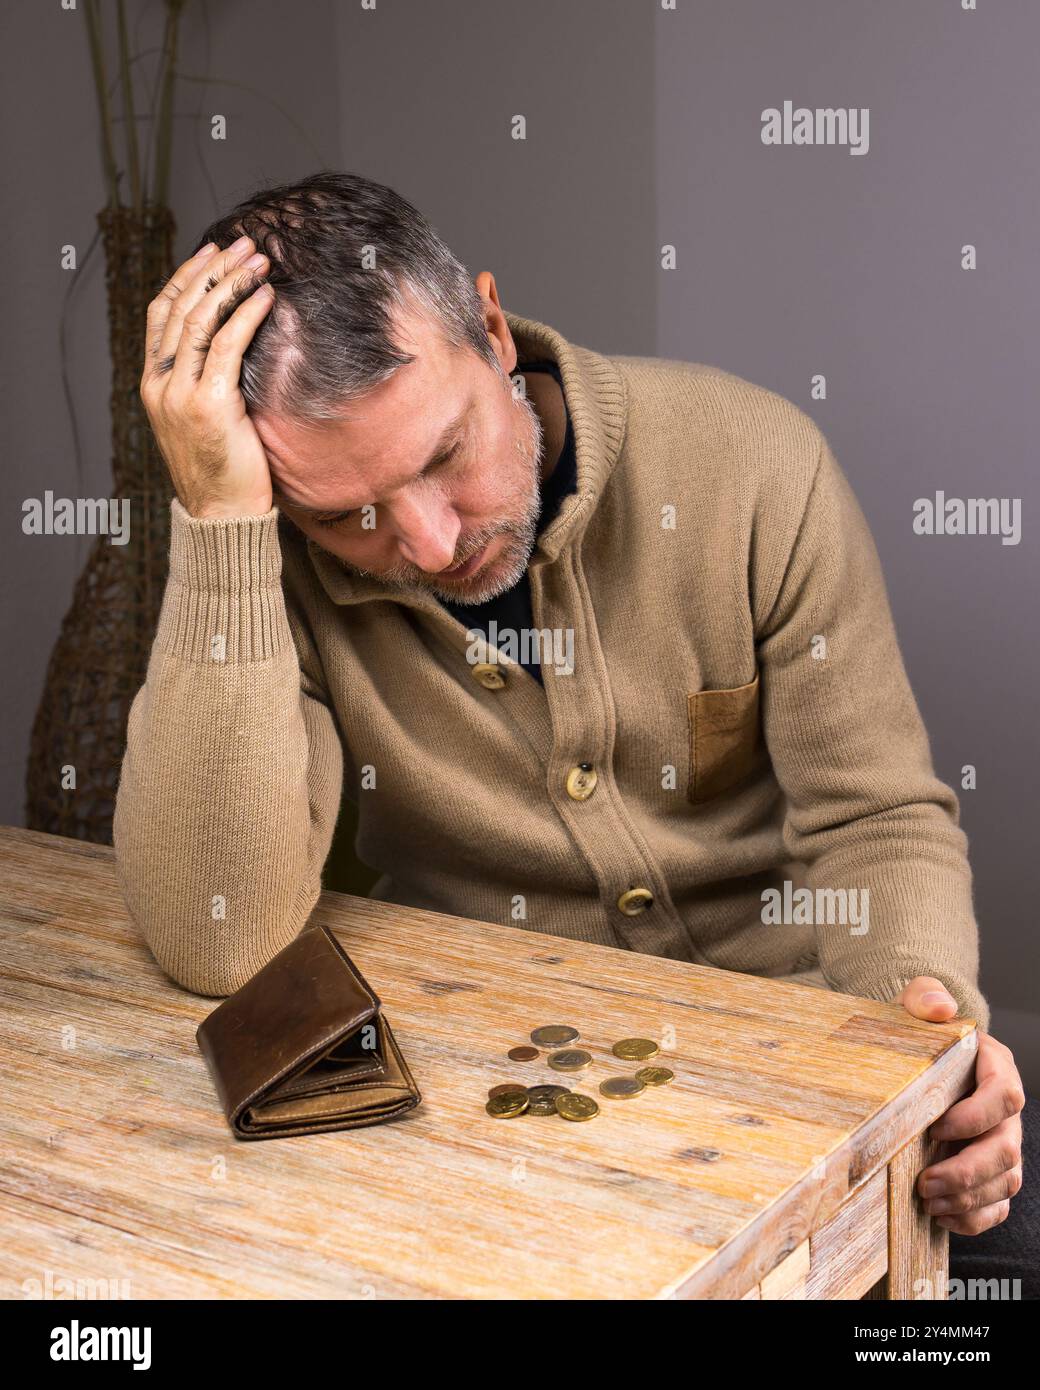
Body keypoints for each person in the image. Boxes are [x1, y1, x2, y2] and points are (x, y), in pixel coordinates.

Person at [116, 171, 1029, 1294]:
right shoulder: (264, 559)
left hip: (796, 1053)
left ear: (491, 330)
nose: (431, 540)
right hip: (479, 1093)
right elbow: (220, 938)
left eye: (445, 453)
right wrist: (222, 527)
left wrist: (918, 1058)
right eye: (343, 514)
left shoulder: (750, 463)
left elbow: (875, 816)